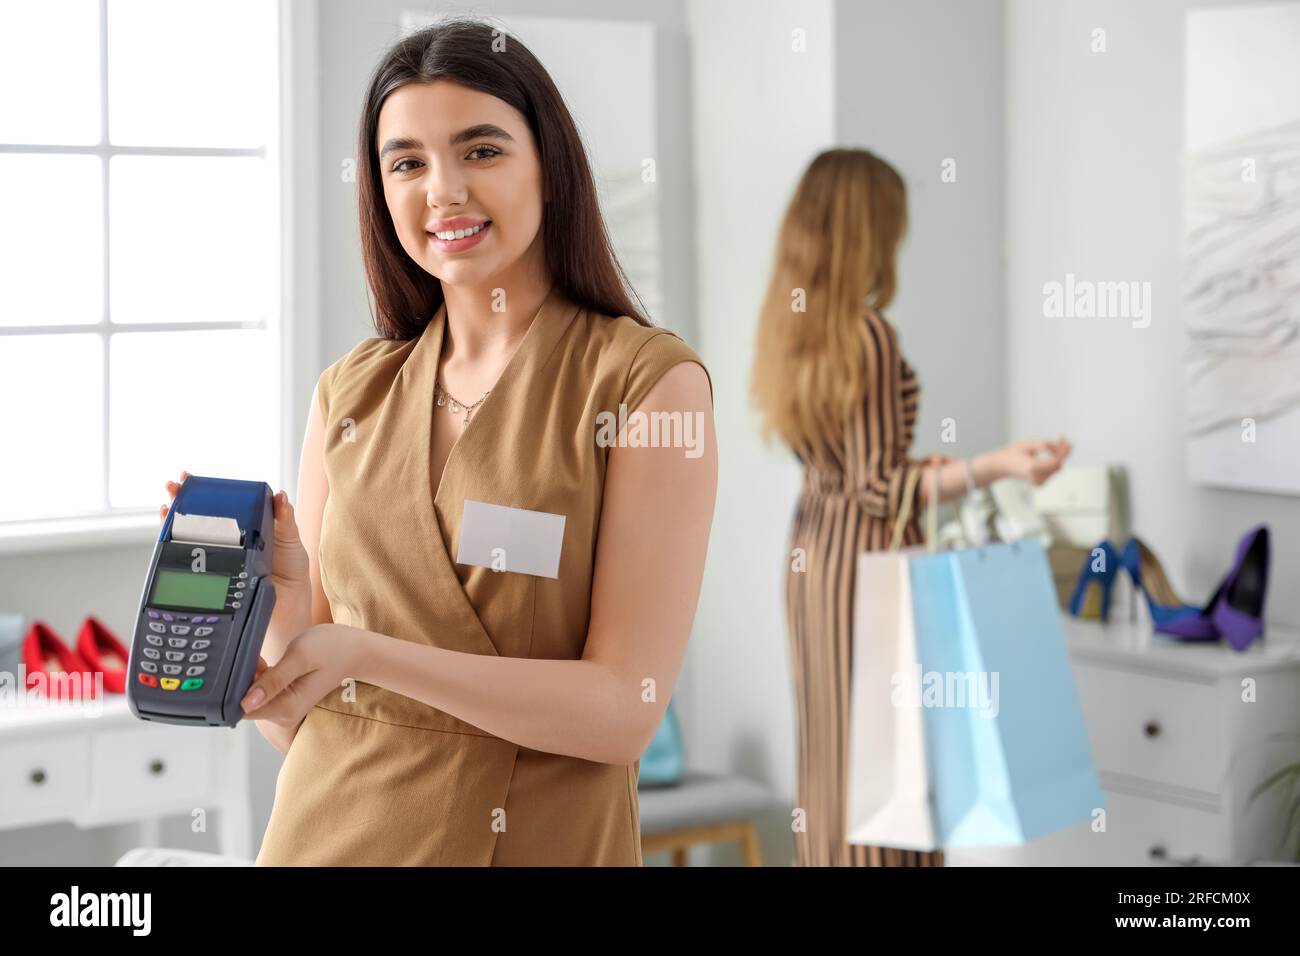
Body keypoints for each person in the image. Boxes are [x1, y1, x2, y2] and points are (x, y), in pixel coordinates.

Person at [162, 17, 716, 866]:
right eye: (408, 163)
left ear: (549, 166)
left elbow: (624, 710)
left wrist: (368, 655)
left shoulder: (644, 383)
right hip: (323, 836)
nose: (444, 191)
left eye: (481, 151)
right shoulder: (349, 392)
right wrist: (282, 608)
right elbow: (303, 726)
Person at [750, 148, 1070, 866]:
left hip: (816, 555)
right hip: (871, 564)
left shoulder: (798, 327)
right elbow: (880, 489)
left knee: (835, 757)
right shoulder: (868, 334)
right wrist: (995, 467)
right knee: (891, 763)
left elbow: (856, 474)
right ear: (869, 226)